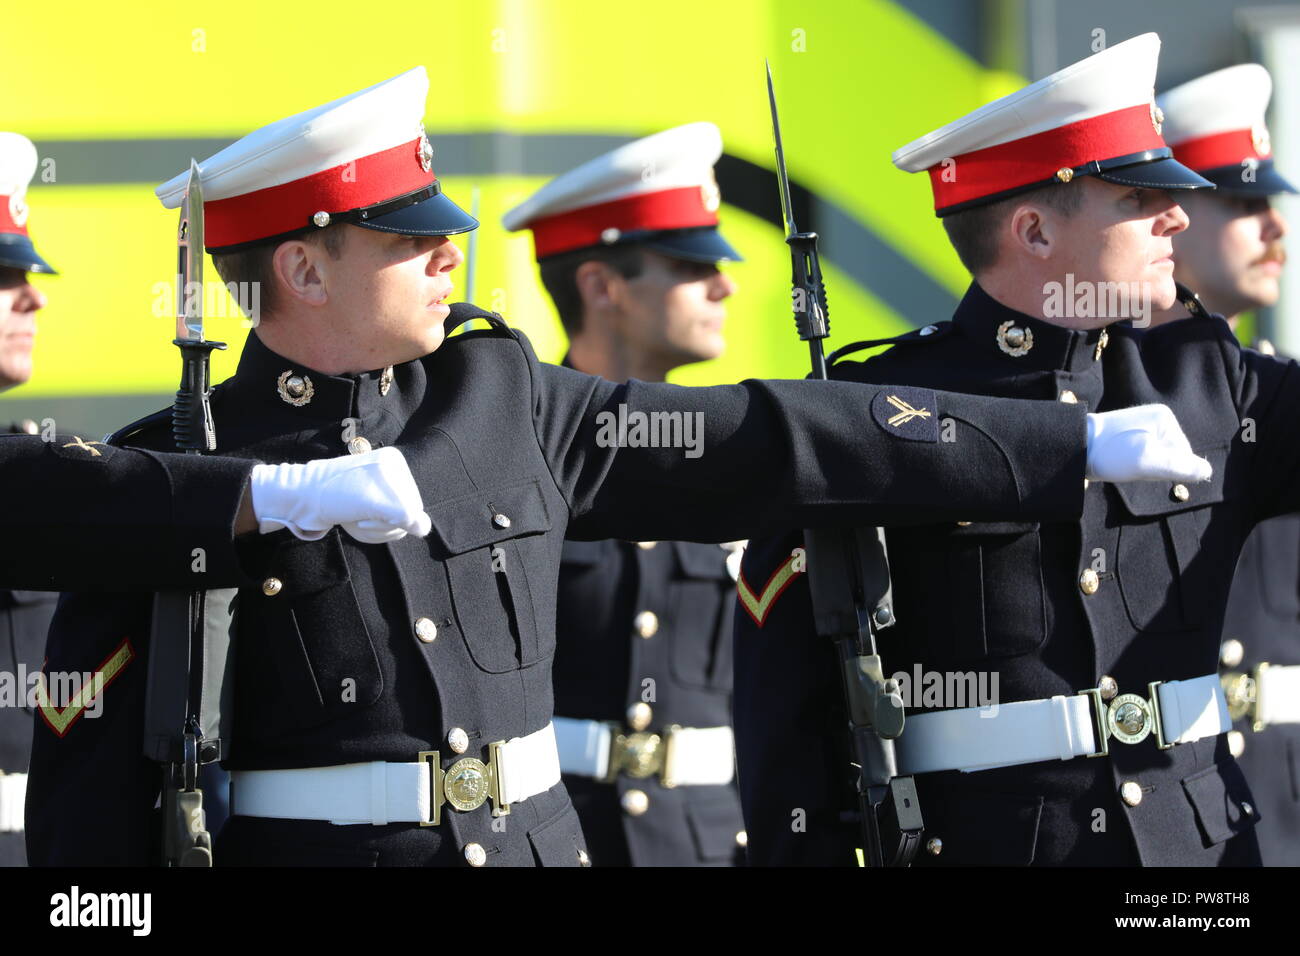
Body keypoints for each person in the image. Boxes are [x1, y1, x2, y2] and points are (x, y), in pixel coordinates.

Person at [26, 66, 1206, 867]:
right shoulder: (176, 469)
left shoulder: (505, 403)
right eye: (409, 237)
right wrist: (260, 497)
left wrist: (1064, 445)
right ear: (304, 268)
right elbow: (89, 812)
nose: (454, 253)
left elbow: (771, 435)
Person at [734, 33, 1286, 867]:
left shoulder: (1209, 382)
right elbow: (789, 742)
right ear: (1033, 231)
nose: (1177, 214)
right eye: (1138, 198)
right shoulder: (880, 410)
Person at [0, 131, 432, 862]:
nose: (34, 295)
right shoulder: (80, 483)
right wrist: (273, 490)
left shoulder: (83, 475)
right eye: (2, 277)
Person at [503, 123, 747, 865]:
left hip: (709, 842)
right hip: (557, 835)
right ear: (603, 287)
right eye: (687, 265)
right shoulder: (510, 454)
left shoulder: (736, 456)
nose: (724, 284)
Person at [1153, 64, 1300, 865]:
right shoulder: (1107, 420)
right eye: (1245, 205)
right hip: (1184, 813)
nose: (1275, 227)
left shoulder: (1283, 408)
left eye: (1272, 204)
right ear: (1168, 214)